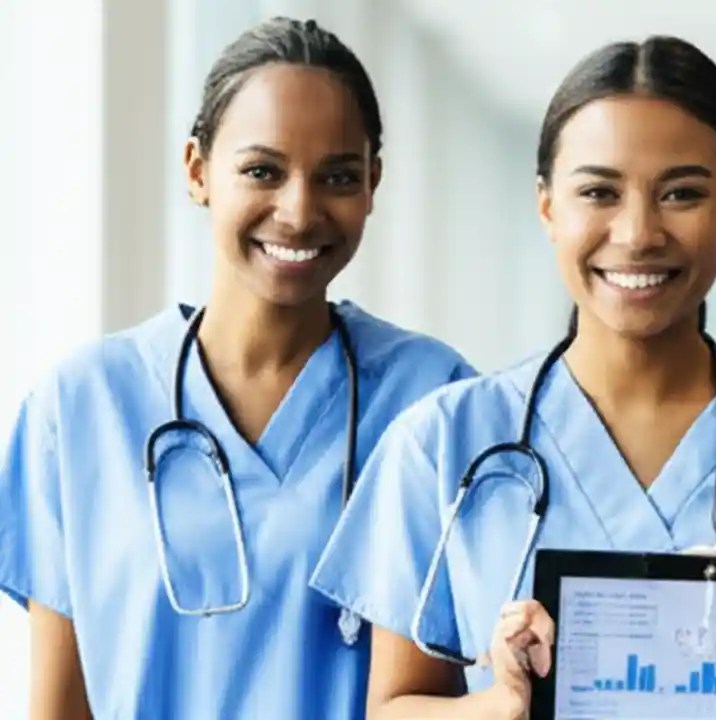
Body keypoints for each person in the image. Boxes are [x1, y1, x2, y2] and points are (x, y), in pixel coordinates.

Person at [308, 34, 716, 720]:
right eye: (598, 191)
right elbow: (392, 709)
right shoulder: (444, 443)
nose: (638, 232)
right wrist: (501, 705)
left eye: (681, 193)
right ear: (547, 205)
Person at [0, 16, 475, 719]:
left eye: (338, 176)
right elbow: (58, 706)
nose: (299, 209)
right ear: (198, 171)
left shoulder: (434, 398)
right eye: (262, 171)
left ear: (373, 183)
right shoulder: (81, 406)